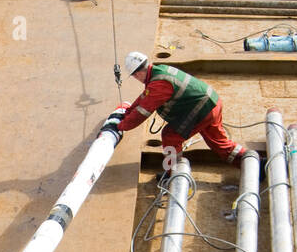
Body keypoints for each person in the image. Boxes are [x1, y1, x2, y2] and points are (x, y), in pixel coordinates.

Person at [105, 51, 246, 173]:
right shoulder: (158, 71)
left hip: (202, 110)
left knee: (170, 136)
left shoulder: (159, 84)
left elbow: (143, 112)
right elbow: (144, 97)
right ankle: (248, 160)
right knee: (218, 141)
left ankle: (173, 174)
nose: (136, 79)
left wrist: (119, 126)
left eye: (135, 76)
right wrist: (127, 112)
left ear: (138, 72)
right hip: (212, 102)